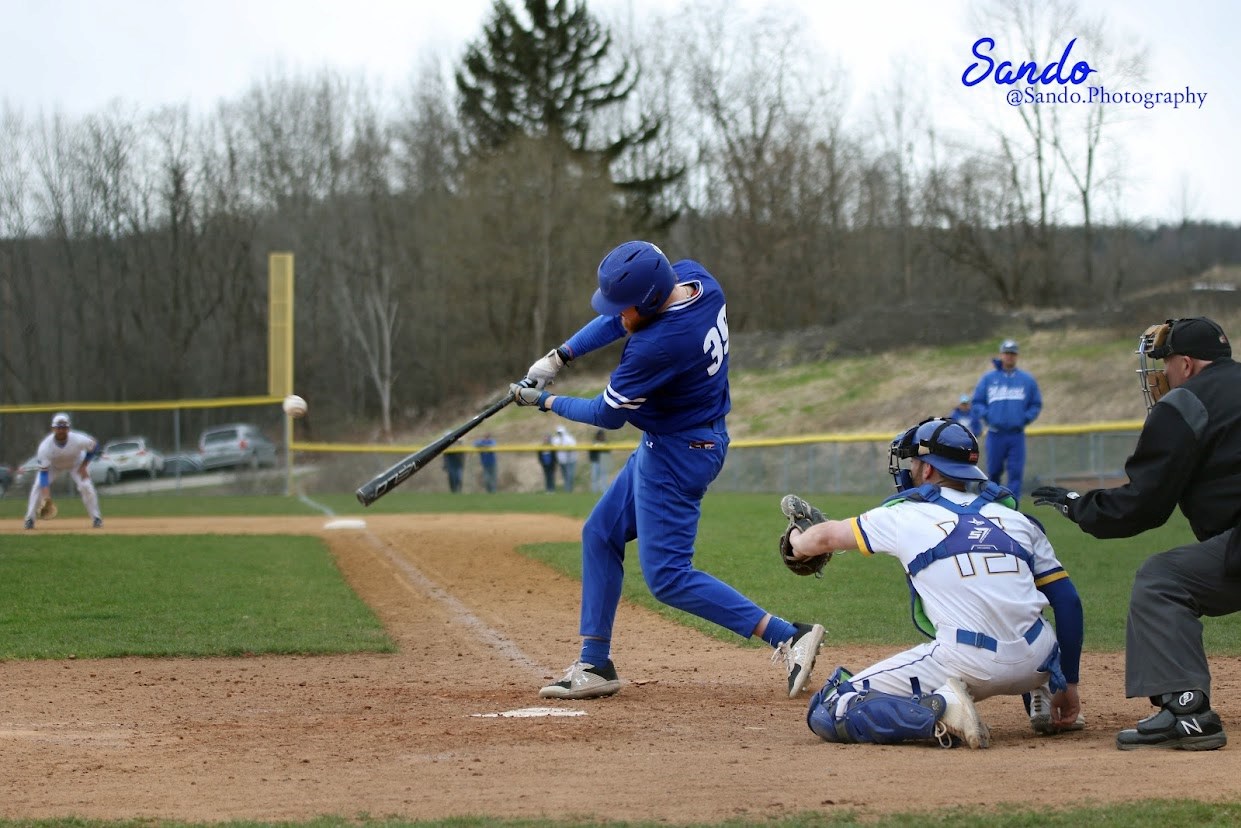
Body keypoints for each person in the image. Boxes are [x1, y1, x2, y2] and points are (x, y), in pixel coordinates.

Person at [510, 240, 824, 700]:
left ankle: (788, 635)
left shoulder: (659, 345)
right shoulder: (697, 279)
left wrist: (544, 400)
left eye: (627, 307)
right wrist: (560, 357)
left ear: (652, 301)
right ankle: (595, 662)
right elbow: (617, 320)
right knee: (600, 533)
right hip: (679, 438)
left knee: (668, 576)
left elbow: (606, 414)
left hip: (679, 453)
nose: (619, 316)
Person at [783, 417, 1084, 748]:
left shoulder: (903, 515)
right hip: (1038, 661)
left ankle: (939, 711)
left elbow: (823, 538)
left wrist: (797, 539)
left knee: (830, 708)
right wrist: (1069, 683)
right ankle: (1046, 693)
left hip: (969, 663)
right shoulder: (1020, 521)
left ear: (927, 470)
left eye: (914, 461)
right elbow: (1067, 603)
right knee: (1015, 604)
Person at [1032, 316, 1239, 751]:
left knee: (1163, 581)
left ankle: (1187, 712)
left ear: (1186, 363)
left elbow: (1143, 507)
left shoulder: (1188, 403)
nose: (1162, 374)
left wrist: (1078, 505)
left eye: (1165, 363)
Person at [971, 338, 1042, 502]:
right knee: (994, 471)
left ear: (1016, 356)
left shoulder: (1026, 380)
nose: (1009, 357)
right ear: (1001, 355)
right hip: (995, 434)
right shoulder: (988, 379)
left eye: (1013, 354)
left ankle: (1013, 505)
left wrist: (1024, 418)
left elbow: (1035, 404)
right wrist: (989, 417)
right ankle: (992, 504)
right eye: (1007, 353)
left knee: (1016, 472)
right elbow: (977, 402)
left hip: (1016, 435)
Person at [24, 412, 105, 529]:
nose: (61, 430)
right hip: (54, 466)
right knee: (37, 486)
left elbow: (95, 446)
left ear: (68, 428)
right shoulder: (45, 446)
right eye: (59, 427)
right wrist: (46, 497)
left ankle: (96, 518)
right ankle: (29, 519)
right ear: (53, 428)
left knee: (86, 486)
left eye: (64, 427)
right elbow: (43, 474)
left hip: (76, 463)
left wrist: (84, 466)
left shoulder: (78, 439)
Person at [551, 425, 578, 492]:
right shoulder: (555, 439)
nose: (559, 434)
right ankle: (567, 489)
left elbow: (573, 446)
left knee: (570, 475)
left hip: (571, 460)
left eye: (560, 432)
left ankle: (568, 490)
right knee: (565, 475)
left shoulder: (569, 439)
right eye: (558, 432)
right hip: (561, 461)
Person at [588, 428, 609, 493]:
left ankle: (604, 491)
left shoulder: (605, 443)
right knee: (594, 477)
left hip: (604, 461)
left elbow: (608, 452)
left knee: (604, 478)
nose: (601, 436)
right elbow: (591, 453)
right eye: (600, 434)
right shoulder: (594, 443)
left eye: (602, 434)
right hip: (595, 462)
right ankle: (595, 491)